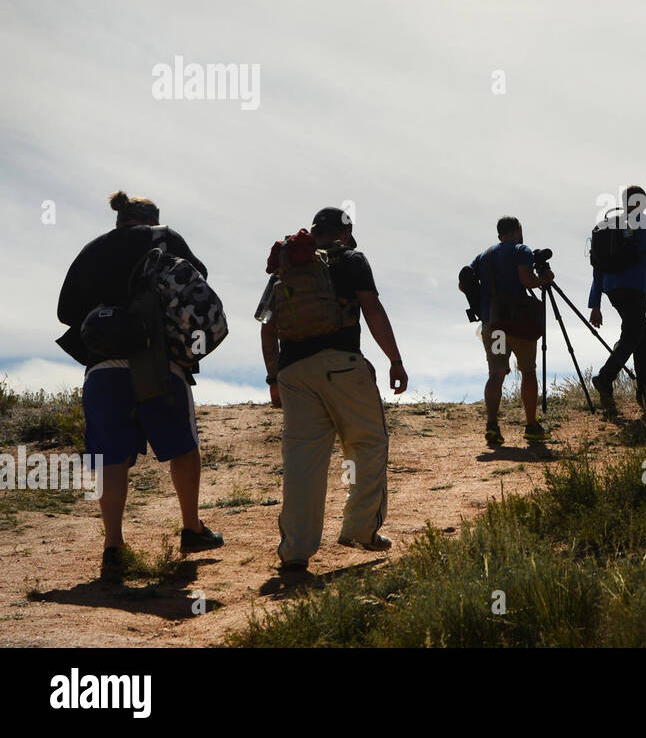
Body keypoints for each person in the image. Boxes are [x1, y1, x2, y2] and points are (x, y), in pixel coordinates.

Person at [56, 191, 224, 580]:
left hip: (101, 368)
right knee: (182, 445)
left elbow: (65, 311)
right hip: (157, 361)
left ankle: (113, 545)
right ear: (152, 218)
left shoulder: (91, 250)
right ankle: (191, 528)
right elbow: (196, 286)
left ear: (119, 220)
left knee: (110, 456)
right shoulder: (163, 237)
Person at [260, 207, 407, 572]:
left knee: (303, 463)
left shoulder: (287, 267)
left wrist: (273, 378)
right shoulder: (352, 258)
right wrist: (395, 360)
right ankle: (360, 529)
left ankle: (294, 551)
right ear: (346, 232)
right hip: (341, 364)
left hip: (293, 372)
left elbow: (267, 327)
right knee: (368, 443)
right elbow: (371, 309)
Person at [589, 185, 646, 418]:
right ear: (644, 203)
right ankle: (606, 377)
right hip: (634, 289)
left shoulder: (606, 226)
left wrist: (595, 304)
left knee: (641, 331)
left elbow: (598, 269)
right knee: (634, 333)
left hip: (612, 291)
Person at [471, 217, 554, 447]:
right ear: (518, 230)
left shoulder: (484, 256)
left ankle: (492, 426)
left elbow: (464, 282)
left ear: (499, 234)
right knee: (527, 371)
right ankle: (531, 426)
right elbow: (526, 280)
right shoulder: (521, 250)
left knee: (496, 373)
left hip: (494, 325)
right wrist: (542, 281)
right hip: (519, 325)